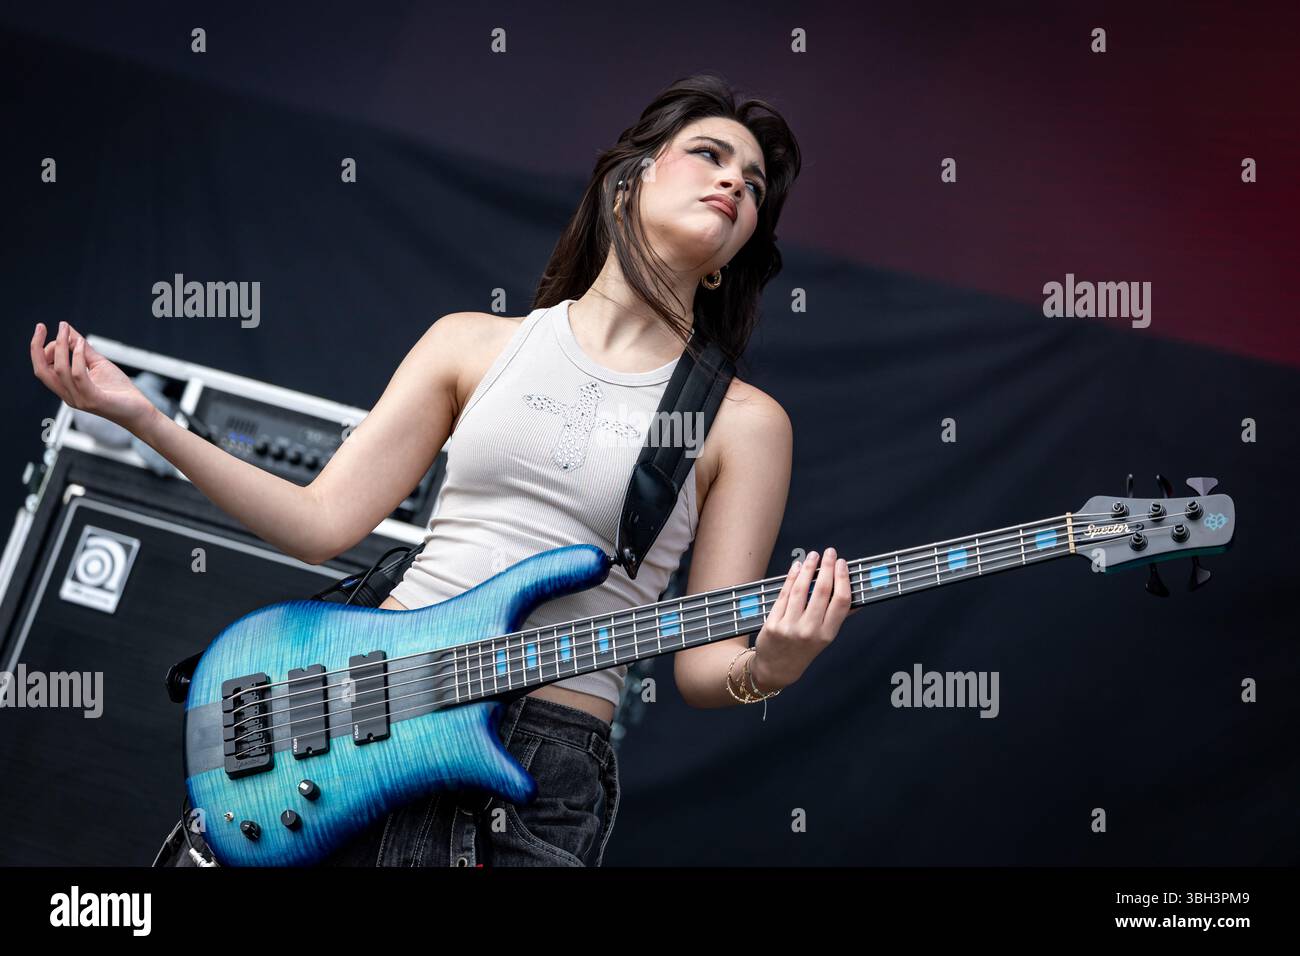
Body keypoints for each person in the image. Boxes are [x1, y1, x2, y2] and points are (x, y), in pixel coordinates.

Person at [29, 72, 855, 867]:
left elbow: (708, 667)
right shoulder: (472, 342)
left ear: (729, 257)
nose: (735, 184)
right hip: (354, 714)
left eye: (753, 184)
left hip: (533, 770)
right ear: (626, 183)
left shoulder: (745, 423)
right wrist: (140, 416)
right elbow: (319, 525)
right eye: (709, 154)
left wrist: (767, 669)